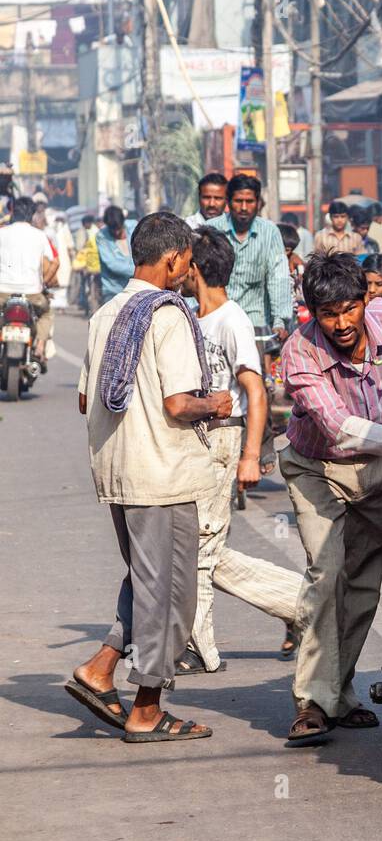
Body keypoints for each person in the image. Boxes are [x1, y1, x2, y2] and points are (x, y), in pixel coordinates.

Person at [69, 212, 233, 744]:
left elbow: (83, 398)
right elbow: (179, 402)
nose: (189, 269)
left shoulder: (106, 313)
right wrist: (217, 402)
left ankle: (100, 667)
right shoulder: (167, 315)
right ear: (172, 260)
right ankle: (146, 708)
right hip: (163, 475)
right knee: (172, 595)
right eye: (186, 259)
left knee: (147, 582)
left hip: (120, 472)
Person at [279, 252, 382, 746]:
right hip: (316, 468)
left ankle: (338, 694)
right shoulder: (299, 352)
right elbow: (338, 428)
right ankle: (311, 701)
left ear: (366, 299)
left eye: (349, 308)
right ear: (312, 314)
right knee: (326, 573)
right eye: (328, 314)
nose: (342, 323)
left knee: (364, 582)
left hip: (378, 474)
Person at [180, 228, 303, 672]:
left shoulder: (232, 319)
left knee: (203, 549)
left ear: (194, 268)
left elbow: (254, 390)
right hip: (199, 439)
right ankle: (301, 601)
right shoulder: (194, 317)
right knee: (199, 549)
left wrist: (251, 455)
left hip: (223, 437)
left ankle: (201, 647)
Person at [208, 173, 293, 342]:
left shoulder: (270, 232)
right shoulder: (211, 230)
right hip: (217, 322)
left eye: (250, 201)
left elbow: (279, 278)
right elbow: (199, 277)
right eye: (238, 201)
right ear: (228, 202)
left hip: (257, 324)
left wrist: (279, 321)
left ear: (258, 203)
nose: (244, 207)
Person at [0, 196, 58, 363]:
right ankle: (40, 346)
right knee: (46, 314)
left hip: (3, 292)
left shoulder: (2, 232)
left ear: (12, 212)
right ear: (32, 215)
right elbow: (55, 261)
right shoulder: (40, 236)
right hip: (32, 293)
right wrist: (45, 282)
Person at [96, 205, 137, 302]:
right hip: (114, 291)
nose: (116, 232)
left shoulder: (134, 227)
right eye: (112, 229)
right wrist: (139, 272)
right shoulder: (101, 236)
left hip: (136, 288)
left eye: (118, 228)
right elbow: (112, 264)